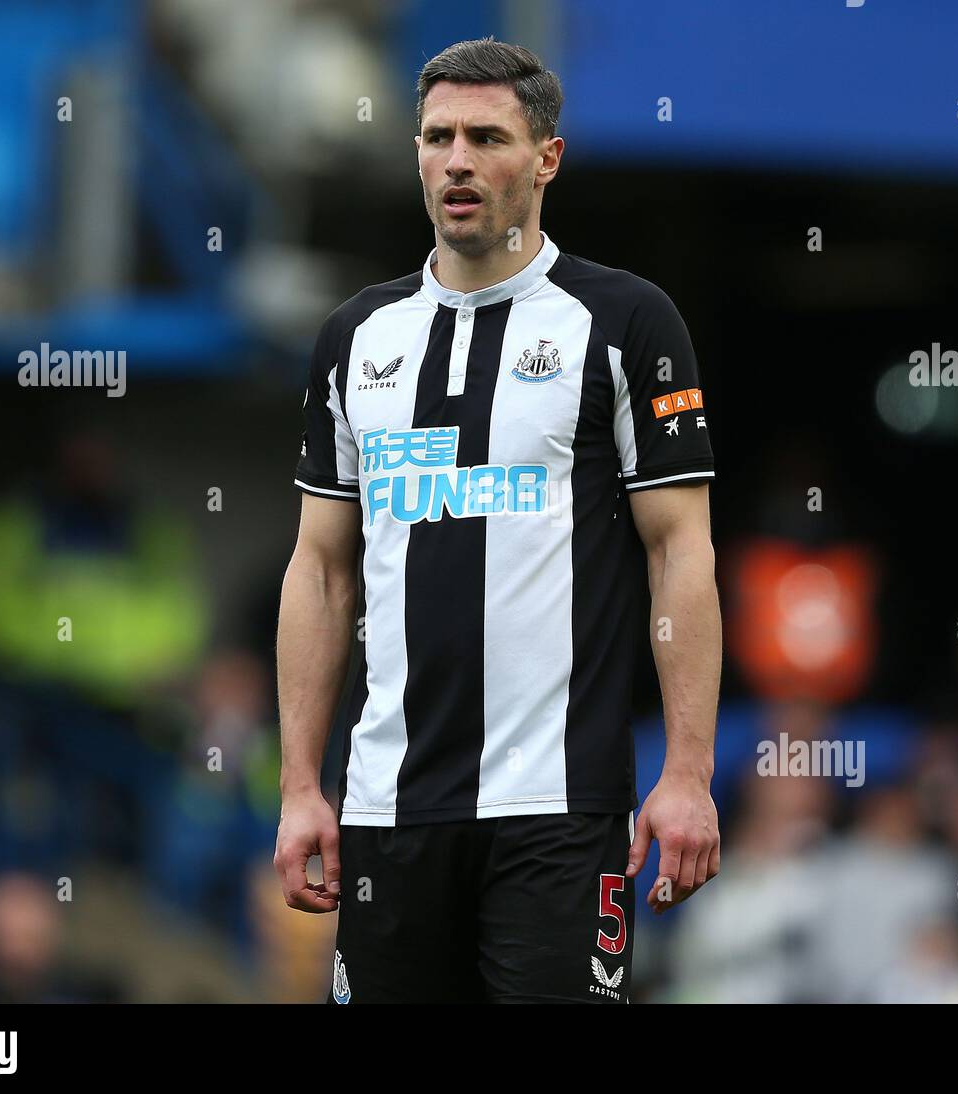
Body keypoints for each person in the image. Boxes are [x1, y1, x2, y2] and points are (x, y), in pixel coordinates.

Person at [273, 37, 722, 1004]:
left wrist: (688, 773)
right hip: (387, 808)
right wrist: (301, 786)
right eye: (437, 137)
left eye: (487, 136)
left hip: (557, 810)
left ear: (547, 158)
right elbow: (319, 570)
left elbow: (680, 552)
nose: (458, 162)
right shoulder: (356, 337)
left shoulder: (626, 323)